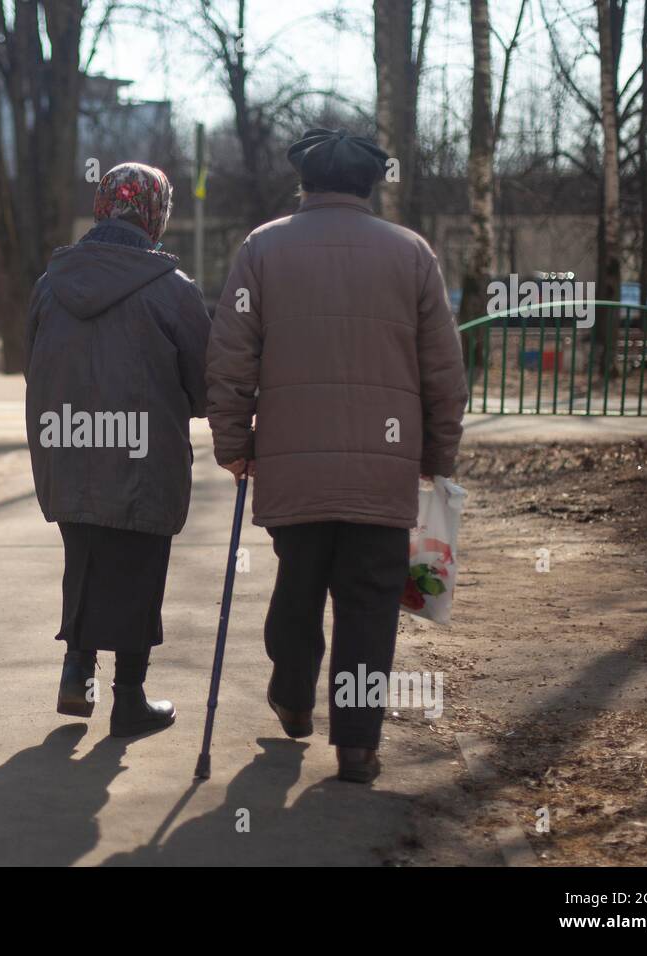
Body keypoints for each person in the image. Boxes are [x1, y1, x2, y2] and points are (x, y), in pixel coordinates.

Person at [205, 129, 467, 782]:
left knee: (298, 587)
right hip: (385, 470)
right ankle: (357, 745)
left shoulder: (263, 248)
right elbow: (443, 368)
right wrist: (438, 453)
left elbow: (231, 356)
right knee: (370, 607)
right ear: (369, 185)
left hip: (294, 464)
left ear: (305, 183)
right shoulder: (411, 253)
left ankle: (292, 696)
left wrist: (234, 444)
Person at [25, 162, 211, 737]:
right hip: (143, 456)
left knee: (83, 558)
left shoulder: (50, 283)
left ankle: (76, 675)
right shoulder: (173, 290)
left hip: (68, 446)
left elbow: (33, 364)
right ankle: (129, 699)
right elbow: (204, 388)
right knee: (138, 570)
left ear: (103, 207)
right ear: (156, 213)